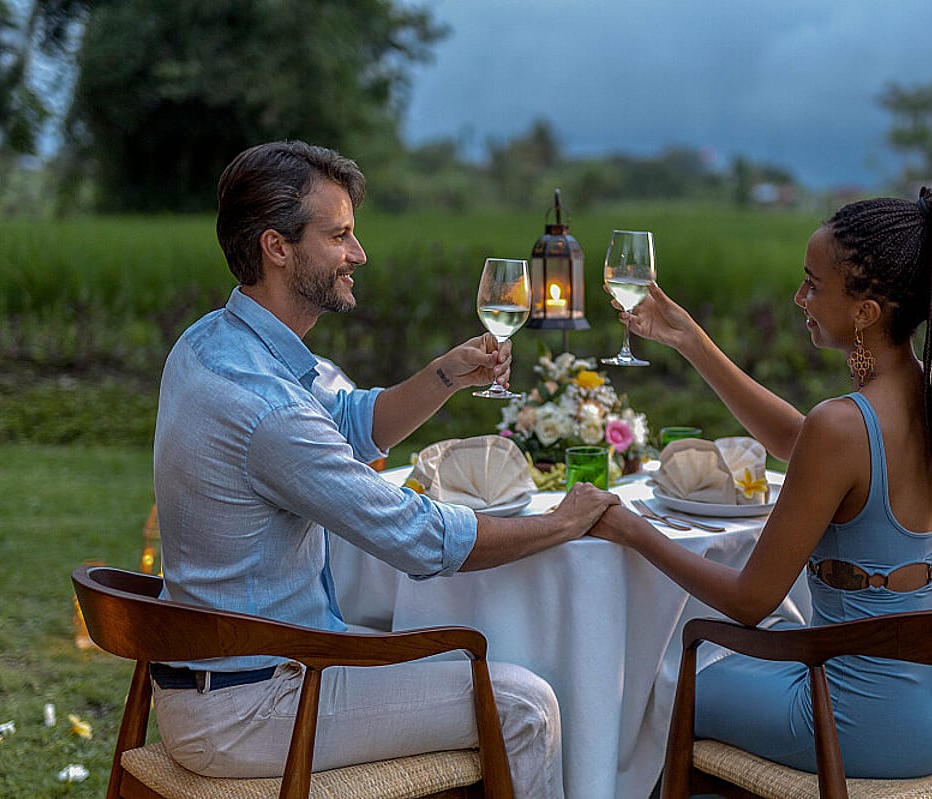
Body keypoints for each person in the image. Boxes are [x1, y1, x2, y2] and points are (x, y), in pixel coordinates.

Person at [151, 139, 618, 798]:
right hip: (252, 707)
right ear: (277, 247)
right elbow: (417, 537)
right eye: (339, 235)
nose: (359, 253)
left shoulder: (213, 343)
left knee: (449, 651)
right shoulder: (263, 405)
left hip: (229, 676)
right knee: (524, 703)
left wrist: (445, 375)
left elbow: (345, 421)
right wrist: (563, 523)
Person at [592, 187, 932, 778]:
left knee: (660, 676)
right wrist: (689, 339)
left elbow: (751, 602)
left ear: (865, 313)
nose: (799, 297)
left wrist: (630, 530)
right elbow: (799, 442)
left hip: (861, 722)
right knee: (736, 654)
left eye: (813, 284)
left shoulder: (843, 426)